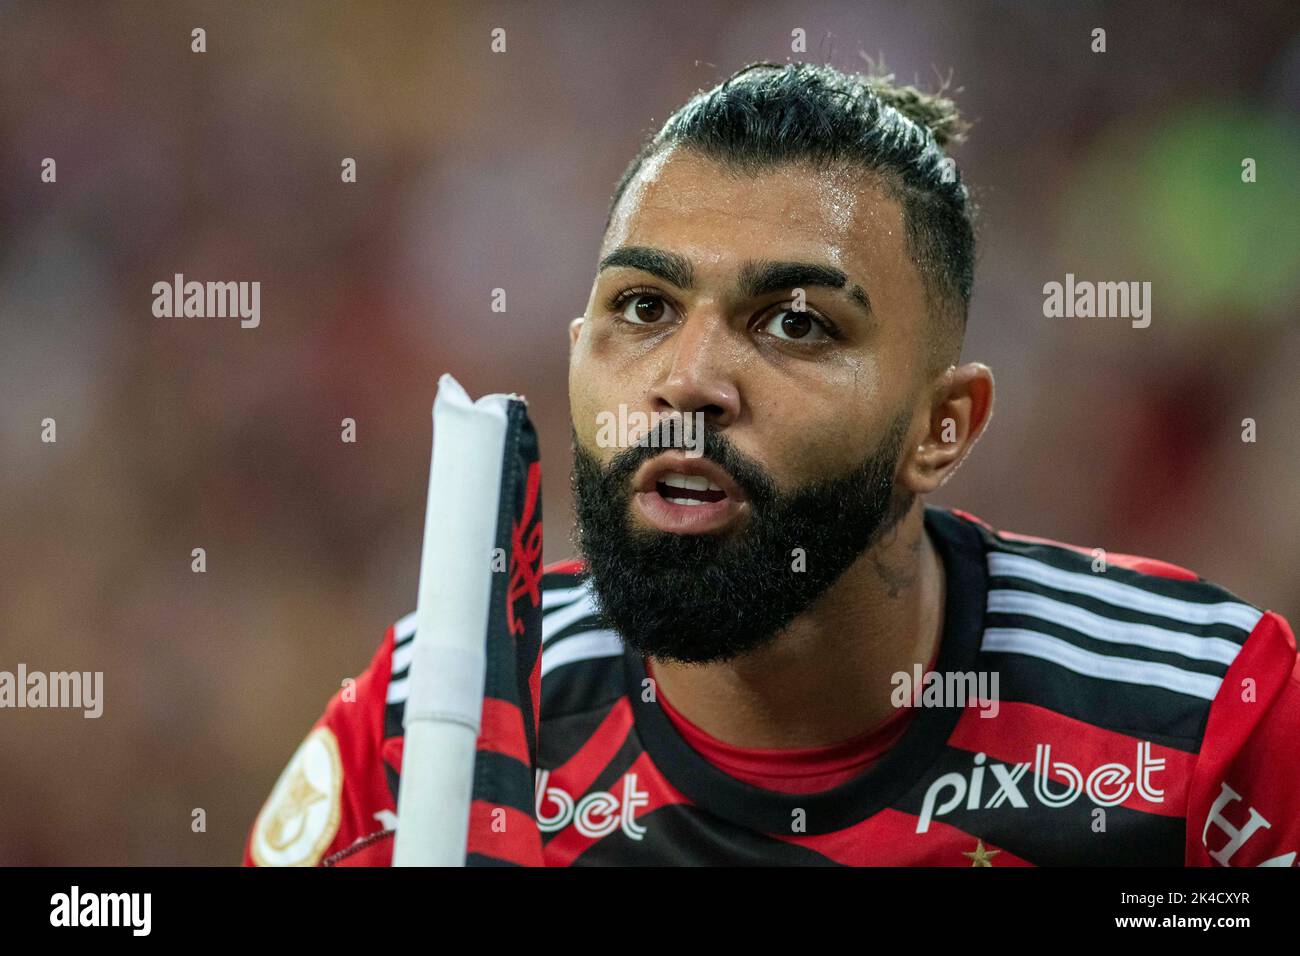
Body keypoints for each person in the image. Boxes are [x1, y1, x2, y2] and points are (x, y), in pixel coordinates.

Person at [244, 62, 1298, 867]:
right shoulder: (438, 707)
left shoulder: (1203, 719)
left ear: (944, 426)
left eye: (795, 322)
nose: (688, 379)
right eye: (644, 308)